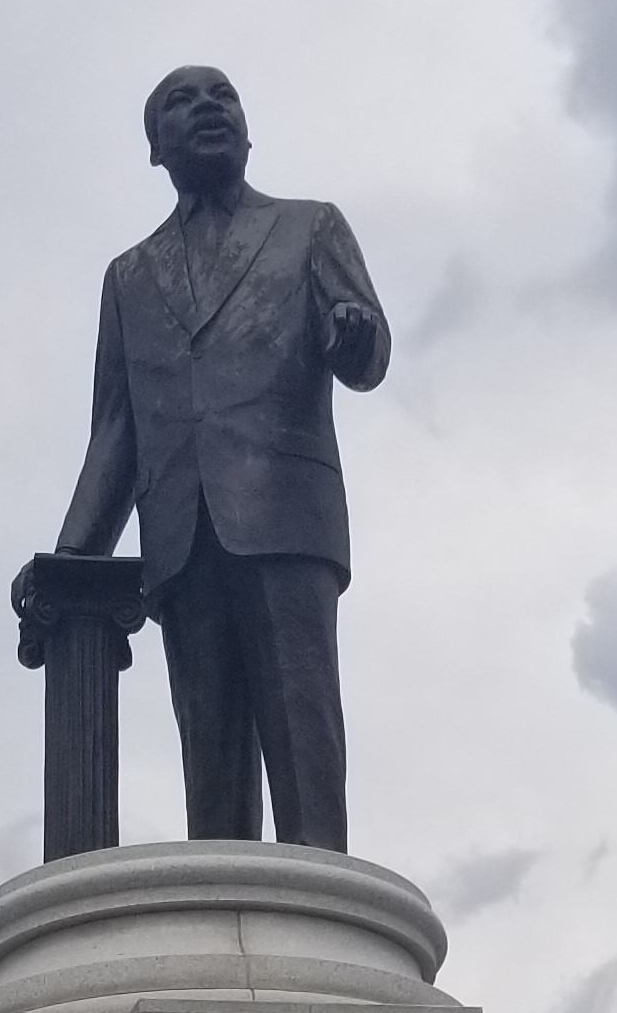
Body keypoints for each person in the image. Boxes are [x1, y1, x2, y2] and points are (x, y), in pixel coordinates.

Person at [52, 64, 389, 850]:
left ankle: (319, 919)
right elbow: (115, 431)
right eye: (181, 100)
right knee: (210, 755)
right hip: (179, 534)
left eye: (222, 95)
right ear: (153, 149)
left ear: (246, 128)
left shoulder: (311, 228)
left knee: (303, 737)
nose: (207, 106)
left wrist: (354, 328)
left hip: (283, 516)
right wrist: (72, 561)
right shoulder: (130, 276)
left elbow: (365, 355)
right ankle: (220, 915)